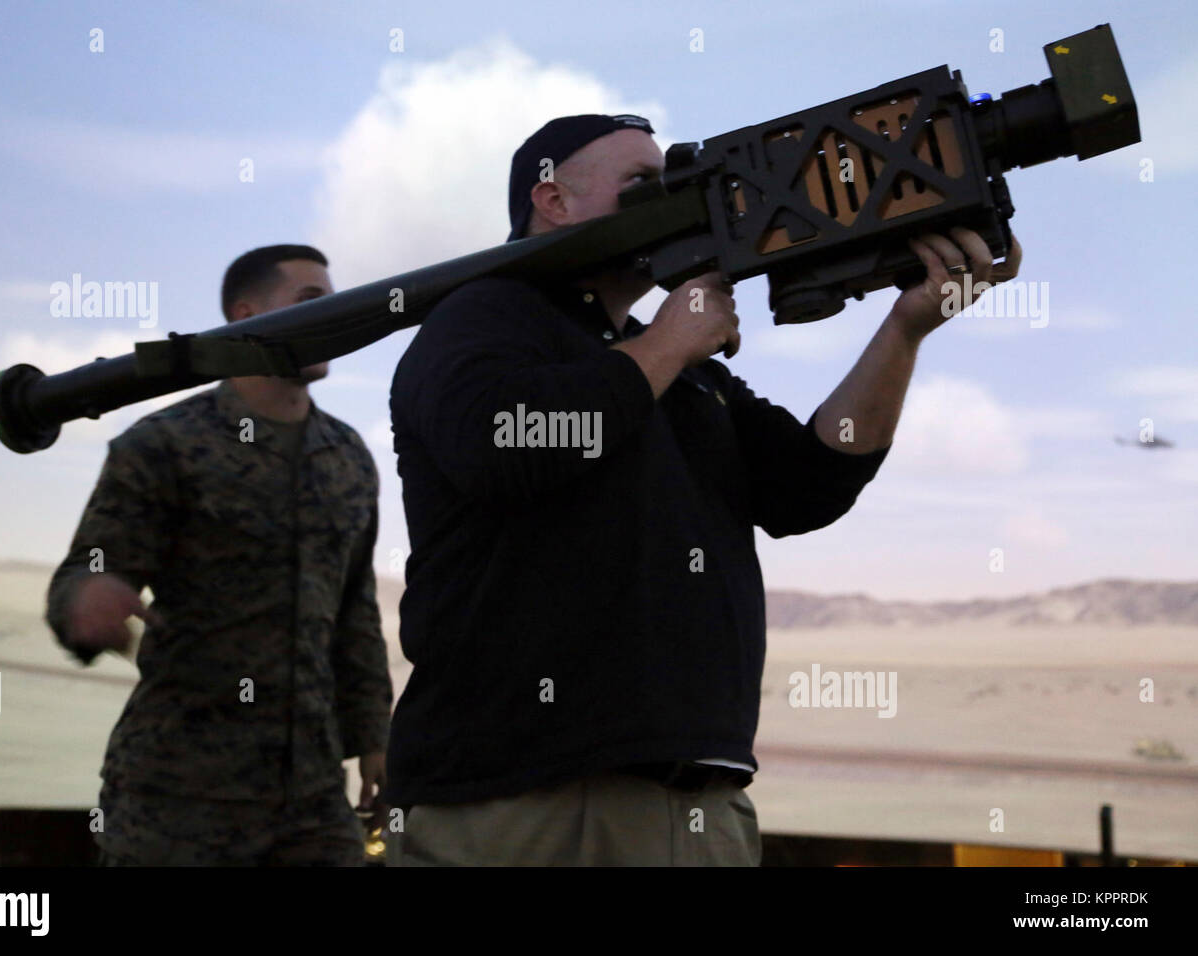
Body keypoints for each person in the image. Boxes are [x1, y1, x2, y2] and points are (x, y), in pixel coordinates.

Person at [385, 114, 1021, 866]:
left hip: (698, 801)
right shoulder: (487, 315)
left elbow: (810, 483)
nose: (670, 201)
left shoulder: (684, 375)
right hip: (527, 800)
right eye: (641, 186)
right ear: (552, 201)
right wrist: (669, 341)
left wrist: (905, 330)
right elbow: (507, 445)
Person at [46, 244, 393, 866]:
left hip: (310, 794)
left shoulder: (347, 459)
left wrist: (374, 737)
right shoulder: (164, 446)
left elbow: (355, 613)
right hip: (178, 797)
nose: (332, 317)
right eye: (310, 302)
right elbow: (88, 569)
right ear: (245, 316)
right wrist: (88, 603)